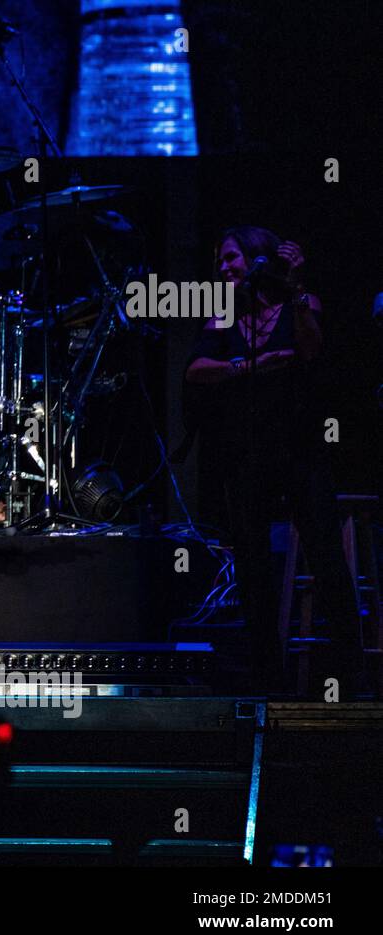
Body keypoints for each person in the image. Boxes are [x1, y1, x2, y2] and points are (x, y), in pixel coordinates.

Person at [185, 226, 364, 696]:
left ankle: (351, 673)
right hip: (247, 454)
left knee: (325, 556)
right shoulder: (225, 319)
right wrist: (249, 366)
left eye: (231, 259)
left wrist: (298, 287)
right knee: (251, 563)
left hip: (301, 448)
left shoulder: (297, 306)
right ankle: (267, 678)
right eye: (219, 262)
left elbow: (310, 348)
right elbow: (196, 370)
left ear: (258, 259)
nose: (223, 269)